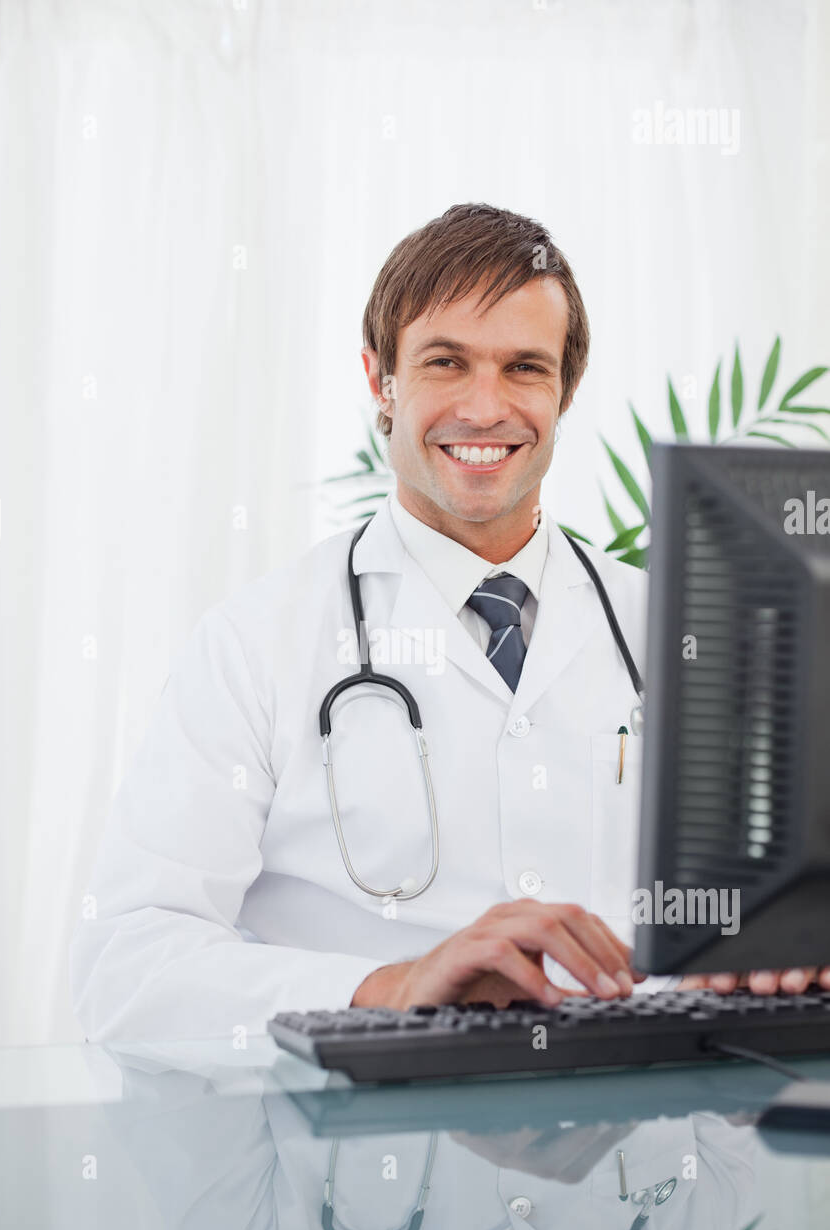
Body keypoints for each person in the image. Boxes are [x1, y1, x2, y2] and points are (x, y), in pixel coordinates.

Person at [70, 203, 829, 1042]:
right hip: (364, 1154)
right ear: (379, 382)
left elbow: (758, 909)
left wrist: (781, 955)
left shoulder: (681, 631)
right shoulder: (255, 645)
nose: (483, 407)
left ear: (563, 392)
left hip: (634, 1148)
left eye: (523, 369)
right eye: (445, 362)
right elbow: (126, 963)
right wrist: (389, 987)